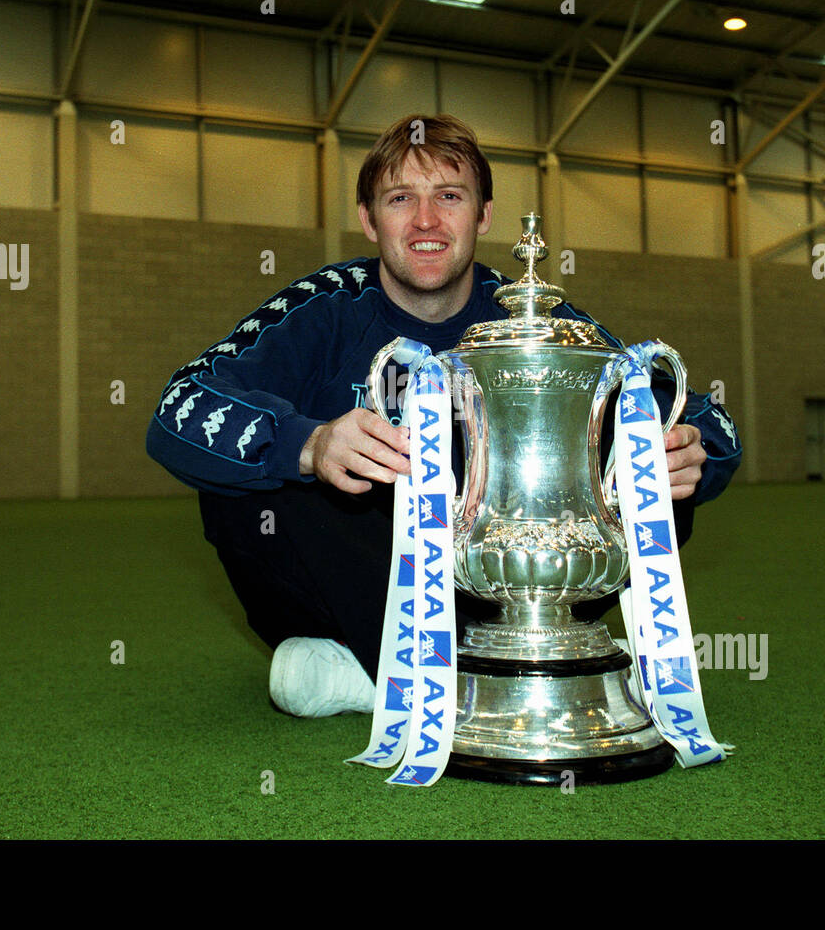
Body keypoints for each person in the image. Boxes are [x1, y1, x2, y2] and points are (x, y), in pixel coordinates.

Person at [146, 113, 741, 717]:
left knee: (656, 476)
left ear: (482, 215)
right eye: (400, 198)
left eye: (449, 197)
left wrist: (694, 454)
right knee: (247, 473)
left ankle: (380, 675)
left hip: (499, 581)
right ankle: (507, 676)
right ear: (368, 217)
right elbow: (178, 410)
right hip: (352, 579)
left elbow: (705, 417)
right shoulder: (322, 308)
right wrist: (311, 442)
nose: (425, 221)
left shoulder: (531, 324)